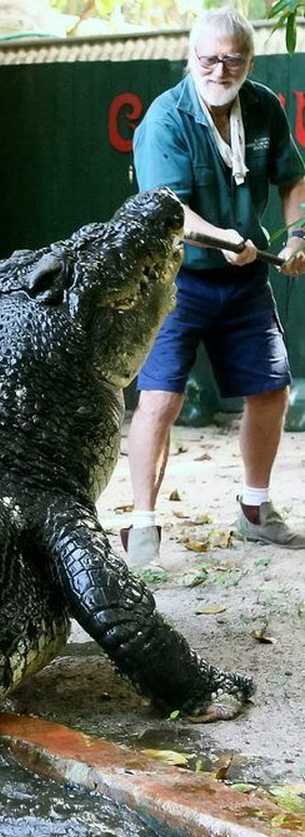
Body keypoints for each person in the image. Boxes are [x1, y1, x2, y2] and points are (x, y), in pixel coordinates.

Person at [125, 7, 305, 567]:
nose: (220, 69)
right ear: (190, 56)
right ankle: (142, 524)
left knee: (271, 390)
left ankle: (255, 509)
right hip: (175, 280)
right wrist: (225, 237)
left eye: (233, 59)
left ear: (249, 61)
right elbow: (168, 209)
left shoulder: (264, 106)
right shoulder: (164, 119)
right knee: (160, 398)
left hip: (246, 279)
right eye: (209, 58)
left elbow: (294, 178)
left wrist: (296, 235)